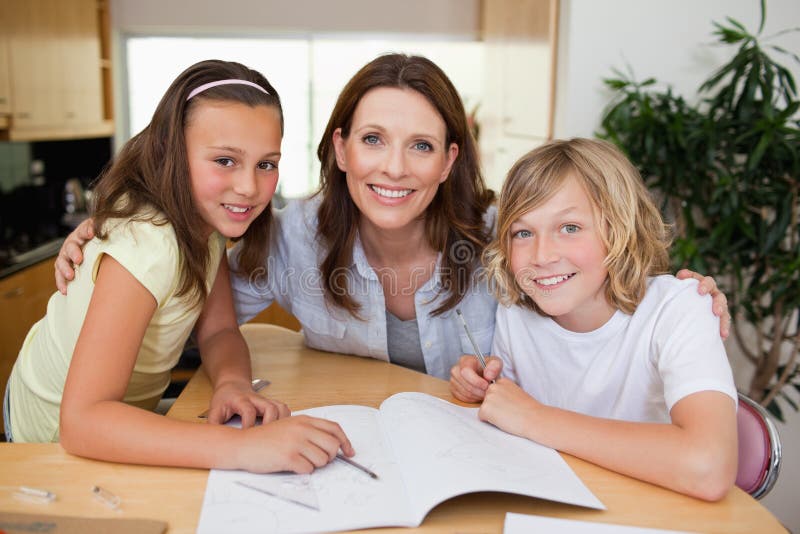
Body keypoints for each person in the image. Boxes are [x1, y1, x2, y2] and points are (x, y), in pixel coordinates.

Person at [53, 54, 731, 381]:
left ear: (449, 161)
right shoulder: (289, 237)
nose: (395, 169)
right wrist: (108, 233)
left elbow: (602, 286)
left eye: (422, 147)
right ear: (342, 147)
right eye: (374, 140)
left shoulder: (509, 234)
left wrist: (683, 295)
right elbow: (201, 297)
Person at [4, 60, 354, 474]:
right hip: (45, 441)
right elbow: (82, 422)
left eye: (266, 164)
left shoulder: (205, 227)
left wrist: (232, 385)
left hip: (118, 417)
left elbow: (220, 330)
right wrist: (244, 448)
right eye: (225, 160)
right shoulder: (148, 244)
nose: (248, 186)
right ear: (173, 152)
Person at [449, 138, 737, 501]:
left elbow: (708, 467)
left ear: (619, 229)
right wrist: (481, 388)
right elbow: (512, 426)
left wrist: (535, 418)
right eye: (523, 233)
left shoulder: (681, 309)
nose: (541, 255)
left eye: (569, 227)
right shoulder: (516, 312)